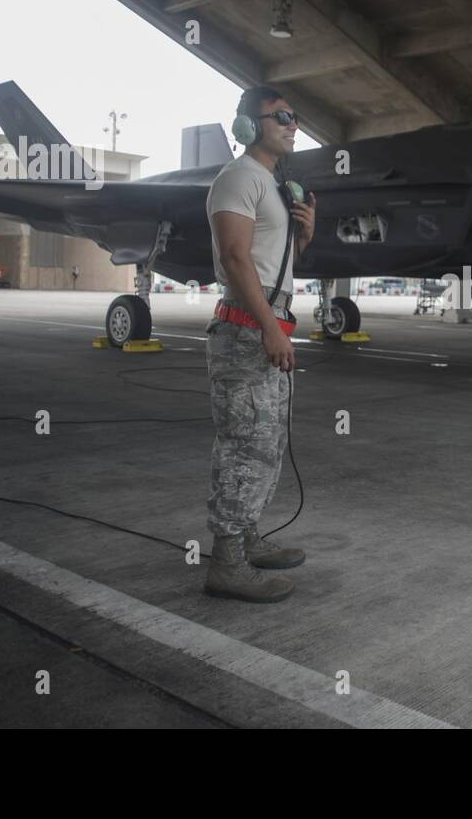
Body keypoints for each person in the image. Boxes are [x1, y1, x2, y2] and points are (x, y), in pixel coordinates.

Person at [202, 86, 316, 603]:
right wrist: (270, 327)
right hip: (246, 331)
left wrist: (303, 239)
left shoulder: (274, 184)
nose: (293, 125)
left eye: (294, 118)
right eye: (281, 117)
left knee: (266, 445)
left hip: (268, 327)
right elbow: (234, 258)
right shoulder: (239, 177)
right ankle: (226, 562)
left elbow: (271, 264)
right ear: (249, 126)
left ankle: (246, 538)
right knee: (243, 444)